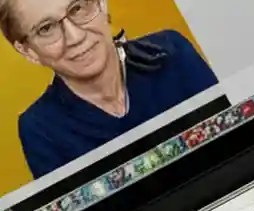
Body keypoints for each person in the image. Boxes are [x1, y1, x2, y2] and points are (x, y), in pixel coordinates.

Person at [0, 0, 217, 178]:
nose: (75, 37)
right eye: (46, 29)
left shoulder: (172, 52)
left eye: (77, 8)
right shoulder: (40, 128)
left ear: (101, 4)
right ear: (28, 51)